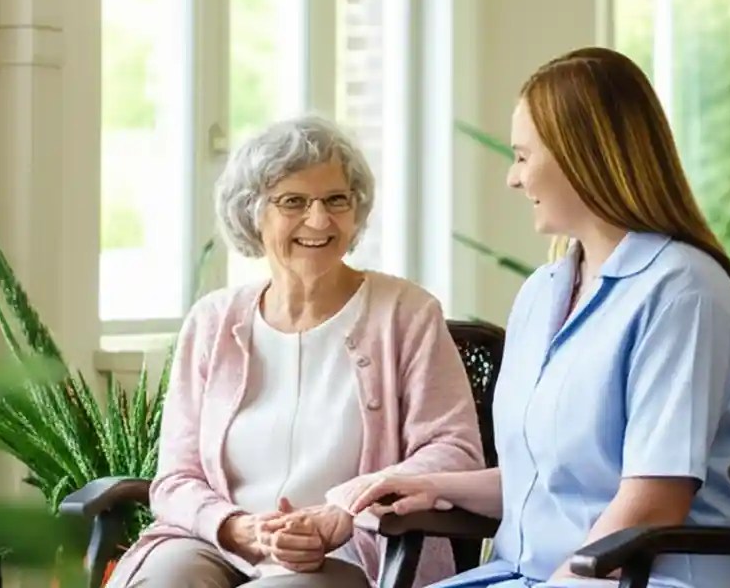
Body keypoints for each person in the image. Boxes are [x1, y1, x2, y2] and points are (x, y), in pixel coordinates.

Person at [347, 47, 730, 588]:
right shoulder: (543, 293)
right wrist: (440, 488)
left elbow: (654, 501)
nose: (513, 179)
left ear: (582, 155)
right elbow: (550, 480)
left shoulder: (683, 290)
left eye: (522, 156)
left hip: (650, 580)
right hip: (530, 574)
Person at [107, 115, 485, 588]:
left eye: (336, 200)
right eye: (293, 202)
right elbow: (176, 477)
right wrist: (234, 526)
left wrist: (345, 509)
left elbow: (454, 451)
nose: (319, 220)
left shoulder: (406, 314)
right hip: (219, 542)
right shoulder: (213, 322)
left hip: (354, 549)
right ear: (252, 213)